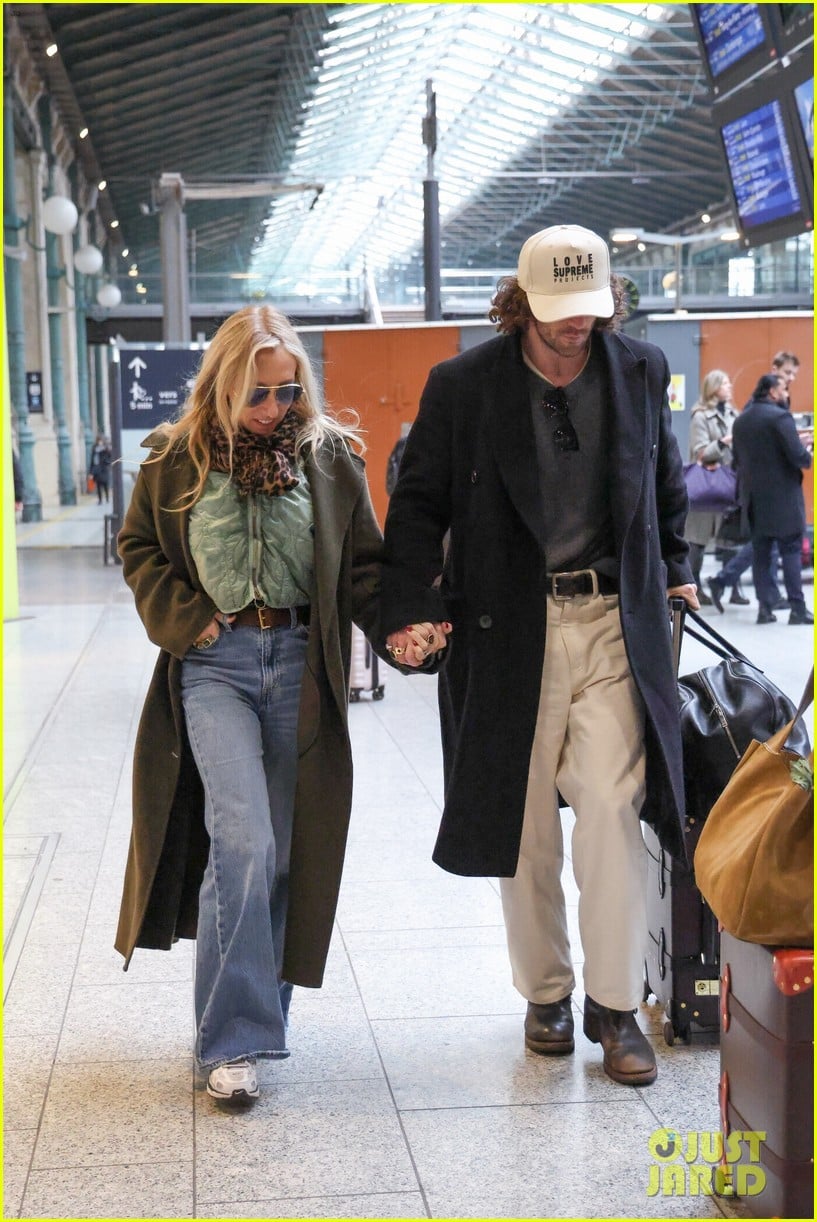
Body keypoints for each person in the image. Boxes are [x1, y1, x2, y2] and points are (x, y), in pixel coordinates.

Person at [380, 224, 697, 1088]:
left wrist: (675, 568)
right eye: (557, 310)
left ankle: (616, 1004)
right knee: (519, 824)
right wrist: (409, 609)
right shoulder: (463, 386)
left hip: (611, 624)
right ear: (519, 303)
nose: (573, 325)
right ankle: (545, 993)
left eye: (587, 308)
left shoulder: (639, 369)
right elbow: (416, 506)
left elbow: (662, 481)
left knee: (612, 805)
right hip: (504, 630)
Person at [115, 304, 447, 1105]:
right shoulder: (174, 458)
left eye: (288, 390)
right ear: (223, 385)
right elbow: (140, 549)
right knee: (243, 844)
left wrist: (404, 632)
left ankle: (247, 1023)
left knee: (287, 854)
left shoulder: (327, 457)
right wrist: (190, 622)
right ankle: (235, 1040)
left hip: (302, 665)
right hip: (214, 668)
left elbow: (362, 568)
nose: (274, 407)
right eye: (258, 393)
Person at [732, 372, 813, 626]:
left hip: (754, 499)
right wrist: (807, 449)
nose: (787, 394)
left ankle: (764, 609)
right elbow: (799, 457)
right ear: (773, 392)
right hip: (784, 499)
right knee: (791, 551)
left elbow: (736, 460)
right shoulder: (780, 417)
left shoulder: (741, 421)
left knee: (761, 554)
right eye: (784, 389)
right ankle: (797, 609)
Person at [684, 370, 748, 608]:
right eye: (724, 383)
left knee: (730, 538)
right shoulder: (700, 417)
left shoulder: (734, 414)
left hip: (728, 485)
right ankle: (694, 587)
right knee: (697, 541)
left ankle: (732, 587)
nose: (729, 387)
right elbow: (700, 452)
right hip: (706, 490)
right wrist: (724, 442)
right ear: (713, 388)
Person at [89, 434, 112, 504]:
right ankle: (100, 500)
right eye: (98, 440)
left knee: (105, 484)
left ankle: (107, 498)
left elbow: (110, 458)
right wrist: (91, 472)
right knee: (98, 485)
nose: (100, 442)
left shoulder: (106, 449)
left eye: (101, 440)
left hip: (104, 469)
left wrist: (107, 462)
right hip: (97, 470)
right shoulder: (95, 449)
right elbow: (92, 461)